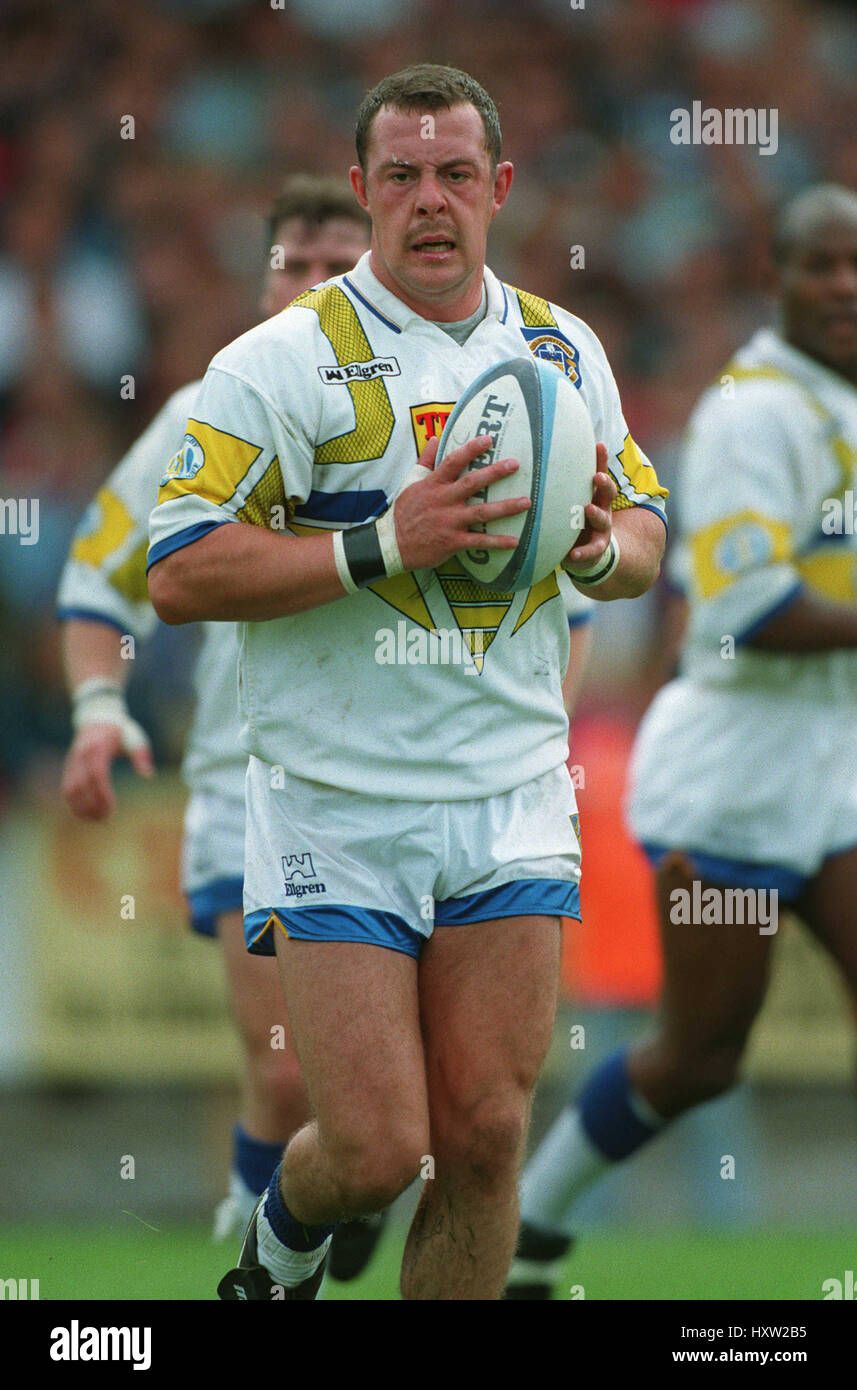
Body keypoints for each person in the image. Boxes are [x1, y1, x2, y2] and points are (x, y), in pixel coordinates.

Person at [147, 63, 667, 1302]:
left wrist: (596, 542)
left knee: (483, 1137)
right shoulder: (276, 362)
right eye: (400, 177)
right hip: (338, 801)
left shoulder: (559, 349)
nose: (427, 201)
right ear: (360, 190)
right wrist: (383, 539)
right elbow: (176, 569)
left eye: (450, 176)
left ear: (496, 186)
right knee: (381, 1148)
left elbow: (646, 528)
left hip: (508, 795)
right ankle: (274, 1263)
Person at [507, 183, 857, 1298]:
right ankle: (532, 1225)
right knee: (699, 1055)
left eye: (856, 264)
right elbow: (751, 609)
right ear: (776, 278)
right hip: (733, 772)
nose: (842, 286)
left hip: (836, 758)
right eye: (818, 265)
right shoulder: (755, 413)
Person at [58, 177, 383, 1278]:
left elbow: (571, 600)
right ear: (263, 276)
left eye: (340, 267)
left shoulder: (447, 405)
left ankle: (351, 1188)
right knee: (289, 1076)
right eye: (293, 263)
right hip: (248, 787)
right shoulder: (206, 407)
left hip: (413, 786)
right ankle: (263, 1267)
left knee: (409, 1114)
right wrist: (99, 709)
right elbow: (99, 582)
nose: (312, 286)